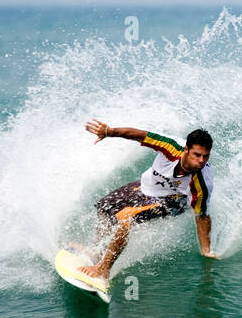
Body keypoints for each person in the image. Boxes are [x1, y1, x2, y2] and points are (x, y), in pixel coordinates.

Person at [77, 120, 217, 281]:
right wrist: (109, 131)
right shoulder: (170, 146)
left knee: (126, 217)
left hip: (174, 201)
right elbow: (140, 135)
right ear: (186, 149)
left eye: (205, 156)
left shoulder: (202, 182)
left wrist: (206, 251)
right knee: (104, 207)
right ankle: (97, 250)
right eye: (197, 155)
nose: (201, 161)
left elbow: (202, 215)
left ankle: (103, 269)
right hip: (147, 186)